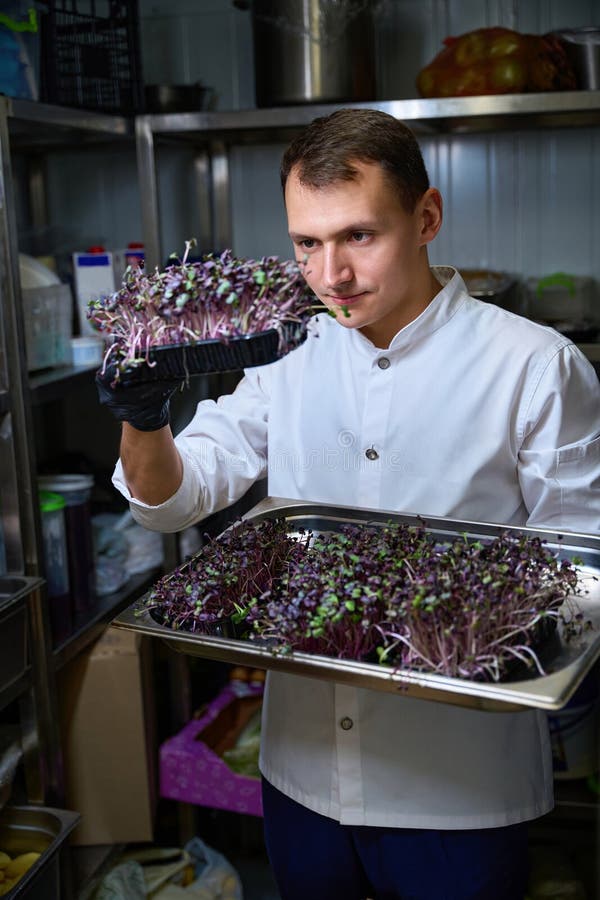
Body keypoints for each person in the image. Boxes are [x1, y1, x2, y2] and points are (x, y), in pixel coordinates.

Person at [97, 109, 600, 900]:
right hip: (301, 778)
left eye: (359, 236)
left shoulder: (536, 367)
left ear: (427, 217)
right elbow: (175, 497)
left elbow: (580, 573)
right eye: (307, 244)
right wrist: (145, 419)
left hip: (457, 790)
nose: (329, 275)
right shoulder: (287, 353)